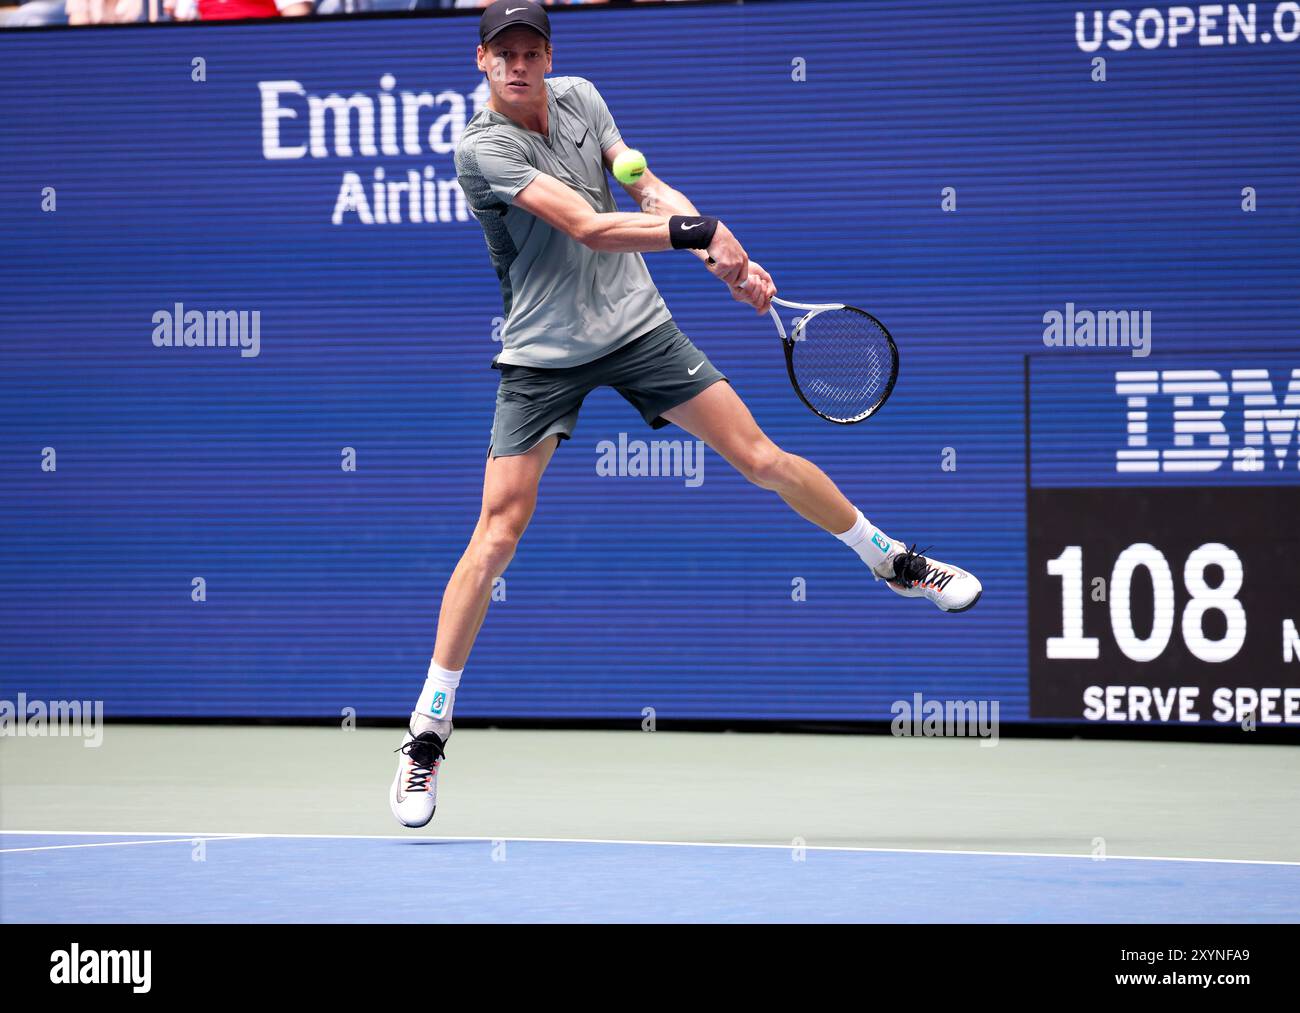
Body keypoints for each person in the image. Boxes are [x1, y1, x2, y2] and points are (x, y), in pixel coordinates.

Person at [390, 0, 983, 828]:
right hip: (543, 353)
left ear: (549, 55)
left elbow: (637, 180)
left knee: (762, 457)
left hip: (638, 328)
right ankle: (426, 736)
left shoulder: (582, 98)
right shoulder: (481, 147)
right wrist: (697, 229)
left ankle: (894, 561)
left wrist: (716, 252)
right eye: (503, 52)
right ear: (480, 60)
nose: (519, 63)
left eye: (531, 50)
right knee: (497, 531)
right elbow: (593, 227)